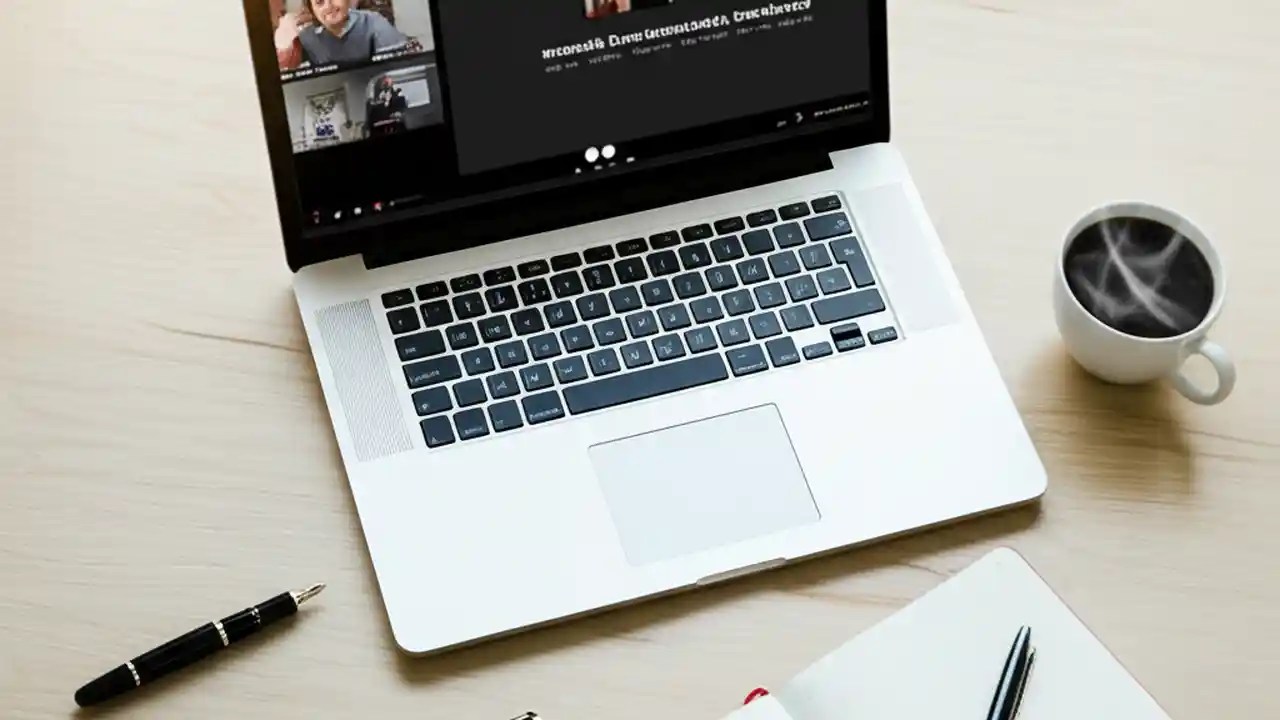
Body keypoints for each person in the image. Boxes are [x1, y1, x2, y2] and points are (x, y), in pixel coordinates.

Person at [275, 0, 409, 70]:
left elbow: (402, 60)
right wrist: (284, 39)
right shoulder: (306, 37)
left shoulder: (372, 21)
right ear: (312, 10)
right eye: (319, 2)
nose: (328, 6)